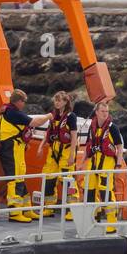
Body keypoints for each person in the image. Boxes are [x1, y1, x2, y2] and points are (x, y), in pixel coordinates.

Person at [0, 89, 53, 223]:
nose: (24, 104)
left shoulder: (10, 111)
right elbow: (35, 123)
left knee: (21, 177)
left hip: (16, 148)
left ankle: (26, 209)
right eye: (24, 102)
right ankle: (14, 212)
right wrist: (48, 116)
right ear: (18, 101)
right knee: (15, 179)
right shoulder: (13, 113)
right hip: (10, 149)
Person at [80, 98, 125, 234]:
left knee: (105, 191)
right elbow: (88, 146)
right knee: (89, 190)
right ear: (97, 112)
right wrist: (82, 163)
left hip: (107, 163)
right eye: (102, 111)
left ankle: (112, 222)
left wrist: (118, 163)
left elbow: (119, 146)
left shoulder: (112, 128)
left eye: (107, 111)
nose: (105, 113)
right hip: (93, 162)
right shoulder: (92, 127)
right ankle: (94, 215)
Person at [40, 90, 80, 220]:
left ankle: (72, 209)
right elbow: (48, 133)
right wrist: (41, 146)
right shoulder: (53, 116)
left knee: (68, 181)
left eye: (59, 100)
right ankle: (49, 207)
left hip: (66, 151)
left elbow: (74, 136)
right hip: (53, 151)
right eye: (55, 100)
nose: (57, 102)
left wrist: (71, 156)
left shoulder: (71, 117)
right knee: (49, 178)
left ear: (65, 102)